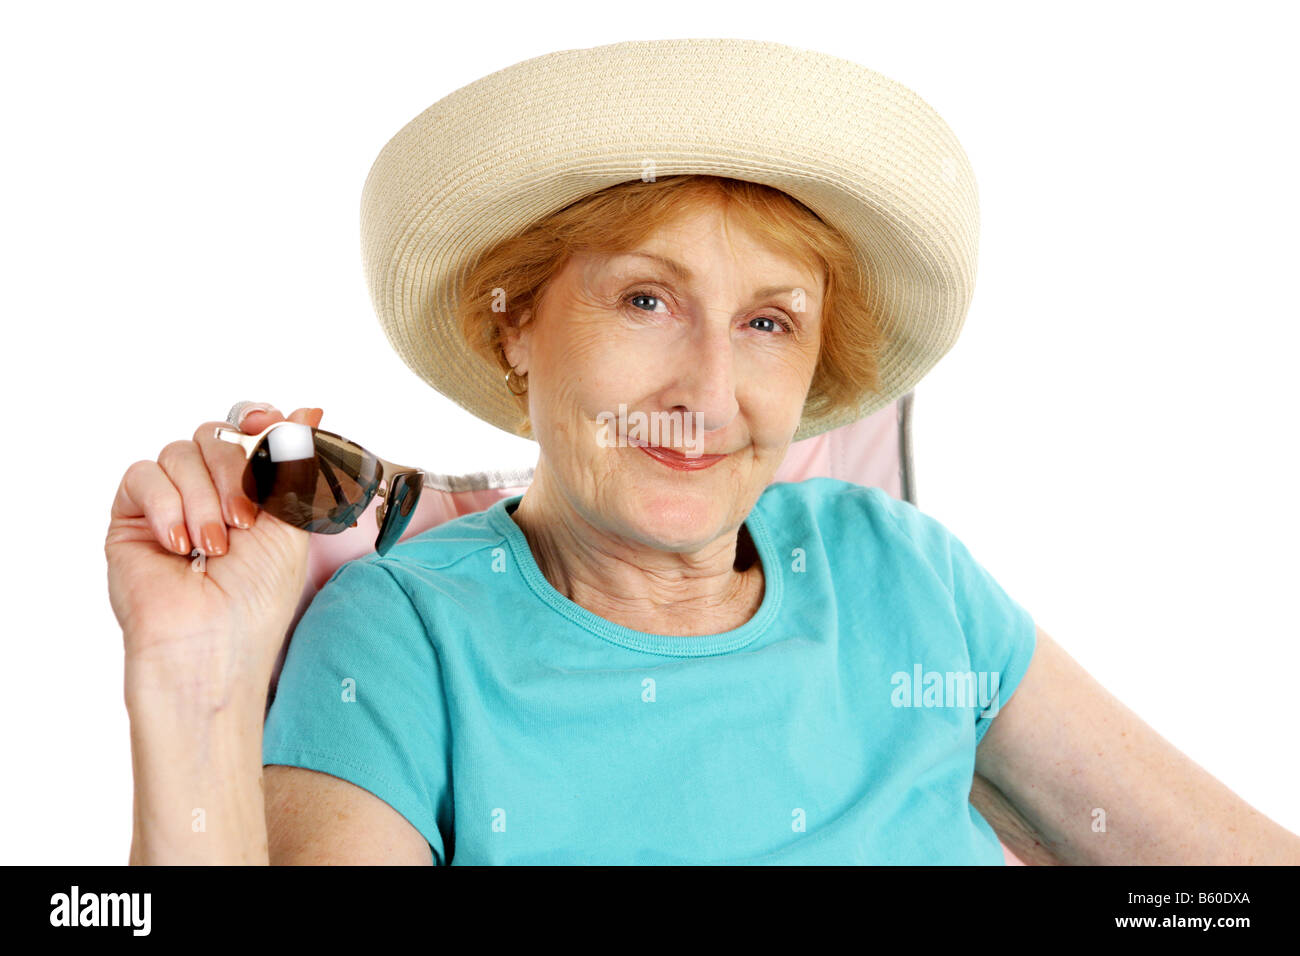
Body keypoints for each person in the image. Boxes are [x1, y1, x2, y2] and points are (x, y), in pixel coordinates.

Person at [105, 38, 1300, 865]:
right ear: (513, 322)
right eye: (644, 300)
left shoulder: (902, 571)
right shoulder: (401, 634)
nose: (708, 393)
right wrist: (194, 684)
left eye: (768, 321)